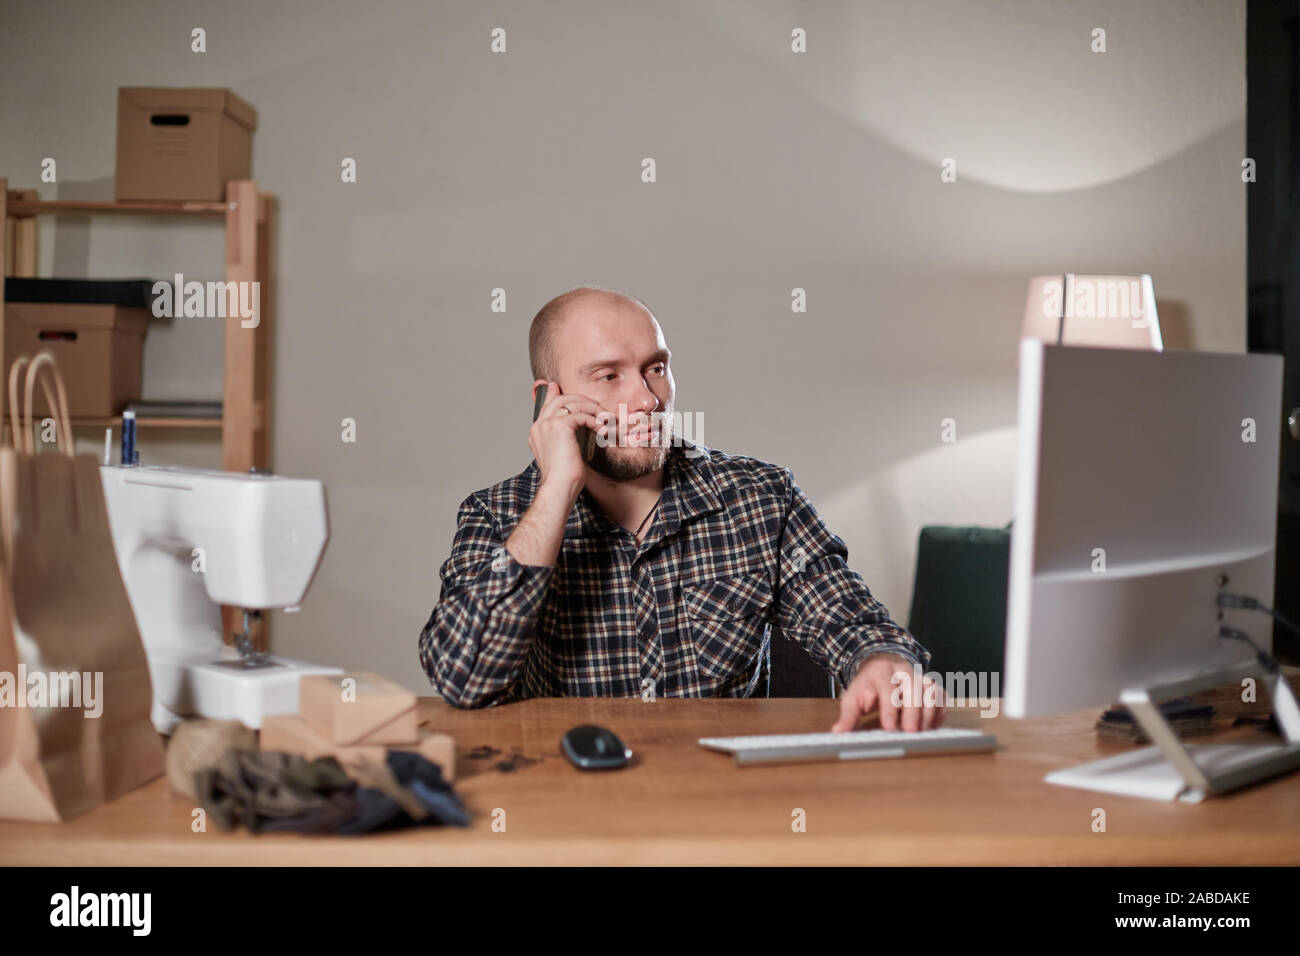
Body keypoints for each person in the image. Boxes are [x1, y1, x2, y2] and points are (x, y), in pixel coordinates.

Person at [419, 286, 945, 732]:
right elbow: (465, 679)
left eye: (656, 368)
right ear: (547, 400)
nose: (648, 400)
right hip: (569, 809)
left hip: (724, 812)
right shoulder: (496, 515)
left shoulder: (760, 497)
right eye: (608, 377)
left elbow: (851, 621)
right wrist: (559, 486)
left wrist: (883, 663)